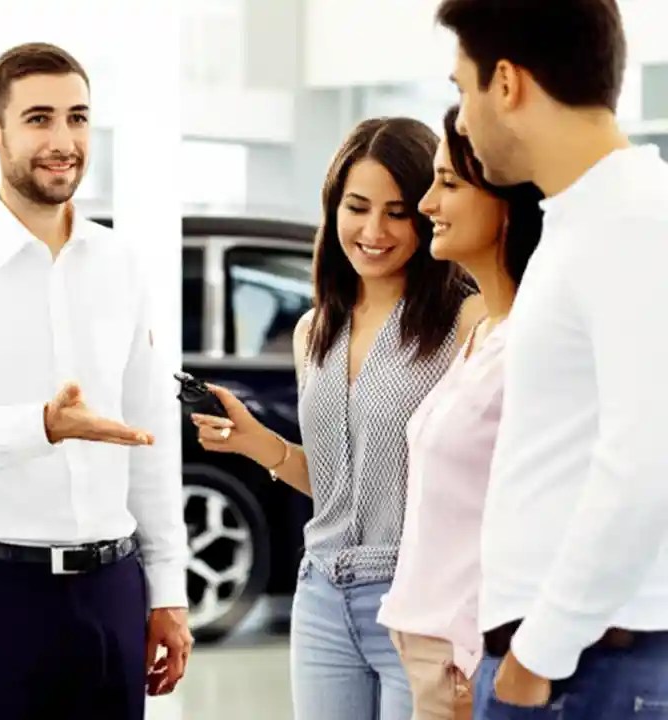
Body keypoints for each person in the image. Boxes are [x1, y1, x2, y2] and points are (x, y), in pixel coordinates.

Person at [0, 42, 192, 720]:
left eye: (77, 118)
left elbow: (152, 435)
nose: (63, 140)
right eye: (40, 119)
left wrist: (167, 590)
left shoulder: (121, 263)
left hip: (110, 592)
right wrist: (41, 427)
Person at [192, 116, 482, 720]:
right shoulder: (313, 331)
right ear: (333, 208)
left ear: (427, 212)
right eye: (357, 207)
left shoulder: (465, 321)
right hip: (321, 595)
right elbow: (336, 490)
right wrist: (256, 442)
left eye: (397, 212)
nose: (373, 231)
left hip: (419, 602)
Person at [435, 1, 668, 717]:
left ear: (505, 83)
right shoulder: (586, 218)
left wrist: (541, 654)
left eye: (461, 88)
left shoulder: (632, 221)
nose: (464, 119)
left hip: (589, 669)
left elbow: (646, 456)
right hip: (568, 663)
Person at [375, 105, 544, 720]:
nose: (425, 204)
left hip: (465, 662)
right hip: (428, 648)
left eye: (448, 184)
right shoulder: (485, 335)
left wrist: (480, 653)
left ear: (506, 201)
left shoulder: (529, 345)